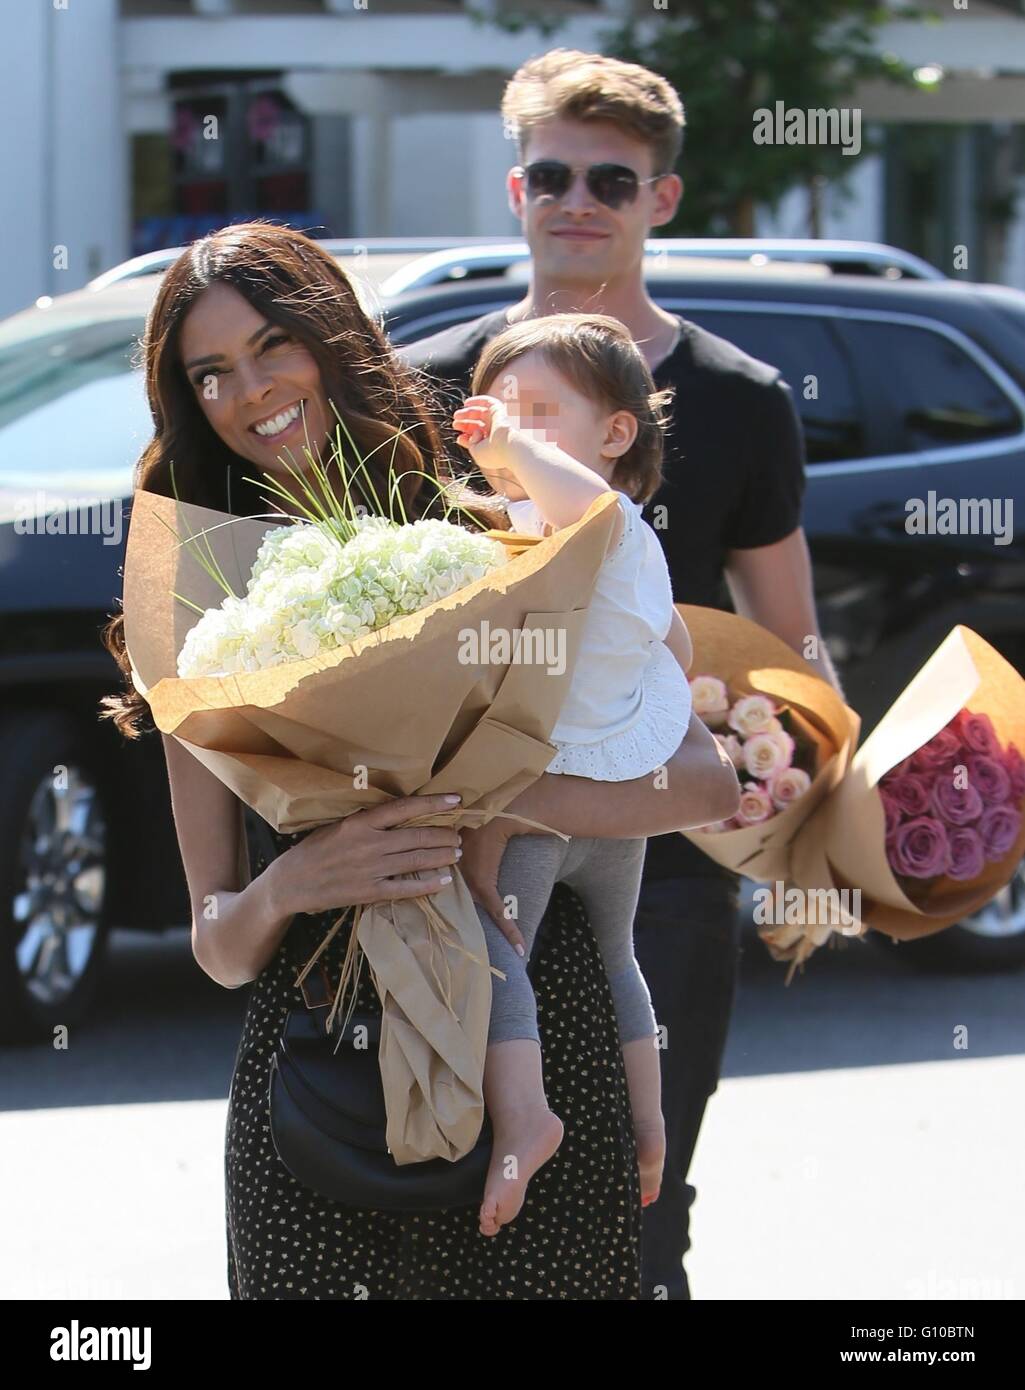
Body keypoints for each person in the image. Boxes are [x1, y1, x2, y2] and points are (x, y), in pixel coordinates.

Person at [99, 220, 736, 1300]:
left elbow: (704, 782)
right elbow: (216, 939)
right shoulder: (194, 598)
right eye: (211, 373)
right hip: (321, 1070)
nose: (249, 391)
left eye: (272, 346)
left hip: (540, 1041)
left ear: (331, 338)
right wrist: (294, 880)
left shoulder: (491, 529)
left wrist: (492, 793)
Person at [401, 49, 843, 1299]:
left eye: (611, 176)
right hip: (461, 843)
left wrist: (807, 785)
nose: (576, 198)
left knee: (640, 1208)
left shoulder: (741, 400)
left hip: (660, 849)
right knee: (454, 1208)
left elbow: (787, 643)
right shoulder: (432, 382)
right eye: (550, 172)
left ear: (663, 197)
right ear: (513, 188)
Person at [450, 312, 728, 1237]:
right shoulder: (591, 535)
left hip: (543, 791)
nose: (512, 430)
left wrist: (515, 446)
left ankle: (525, 1116)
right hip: (615, 791)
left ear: (615, 436)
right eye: (501, 408)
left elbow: (580, 507)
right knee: (617, 959)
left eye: (542, 414)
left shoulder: (598, 522)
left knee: (491, 939)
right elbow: (673, 642)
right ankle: (647, 1129)